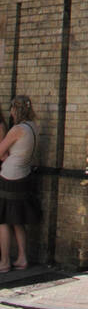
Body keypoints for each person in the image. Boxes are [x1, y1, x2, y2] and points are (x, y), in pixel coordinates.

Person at [0, 96, 40, 272]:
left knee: (2, 221)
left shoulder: (17, 130)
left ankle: (5, 261)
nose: (10, 113)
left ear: (16, 110)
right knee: (18, 220)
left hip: (9, 176)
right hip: (24, 175)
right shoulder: (33, 127)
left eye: (12, 109)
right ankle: (22, 258)